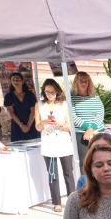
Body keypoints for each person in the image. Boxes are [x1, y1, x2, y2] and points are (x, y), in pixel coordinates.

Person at [35, 78, 75, 210]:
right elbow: (37, 127)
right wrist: (44, 122)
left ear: (57, 92)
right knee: (53, 174)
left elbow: (70, 127)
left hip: (63, 141)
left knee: (68, 172)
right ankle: (57, 202)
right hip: (48, 142)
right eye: (47, 92)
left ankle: (72, 200)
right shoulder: (39, 105)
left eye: (52, 92)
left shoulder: (63, 104)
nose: (50, 95)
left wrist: (60, 124)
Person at [69, 72, 104, 167]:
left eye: (86, 81)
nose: (84, 83)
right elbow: (72, 116)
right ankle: (85, 182)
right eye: (81, 81)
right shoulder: (71, 97)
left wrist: (91, 129)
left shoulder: (95, 97)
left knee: (100, 161)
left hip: (96, 132)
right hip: (80, 134)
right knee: (84, 163)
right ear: (76, 82)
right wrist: (88, 128)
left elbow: (100, 114)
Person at [4, 72, 40, 141]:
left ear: (22, 81)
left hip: (30, 123)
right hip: (17, 125)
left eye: (17, 79)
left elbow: (33, 111)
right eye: (13, 80)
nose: (15, 81)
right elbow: (11, 112)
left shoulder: (30, 95)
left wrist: (28, 125)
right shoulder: (9, 96)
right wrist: (21, 125)